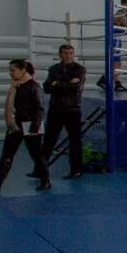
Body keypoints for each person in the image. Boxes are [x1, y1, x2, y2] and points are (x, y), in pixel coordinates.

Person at [0, 60, 51, 194]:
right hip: (18, 123)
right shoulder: (16, 86)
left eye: (13, 70)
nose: (10, 73)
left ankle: (46, 180)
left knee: (36, 155)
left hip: (31, 124)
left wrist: (35, 127)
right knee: (7, 154)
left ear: (23, 70)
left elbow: (39, 108)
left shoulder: (34, 86)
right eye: (10, 70)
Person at [39, 43, 86, 180]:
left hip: (72, 109)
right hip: (56, 109)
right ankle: (40, 169)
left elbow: (76, 87)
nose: (68, 56)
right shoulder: (53, 69)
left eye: (71, 53)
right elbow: (47, 87)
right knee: (48, 140)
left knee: (75, 141)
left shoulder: (80, 69)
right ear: (60, 55)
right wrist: (66, 83)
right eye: (65, 53)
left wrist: (57, 83)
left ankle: (76, 170)